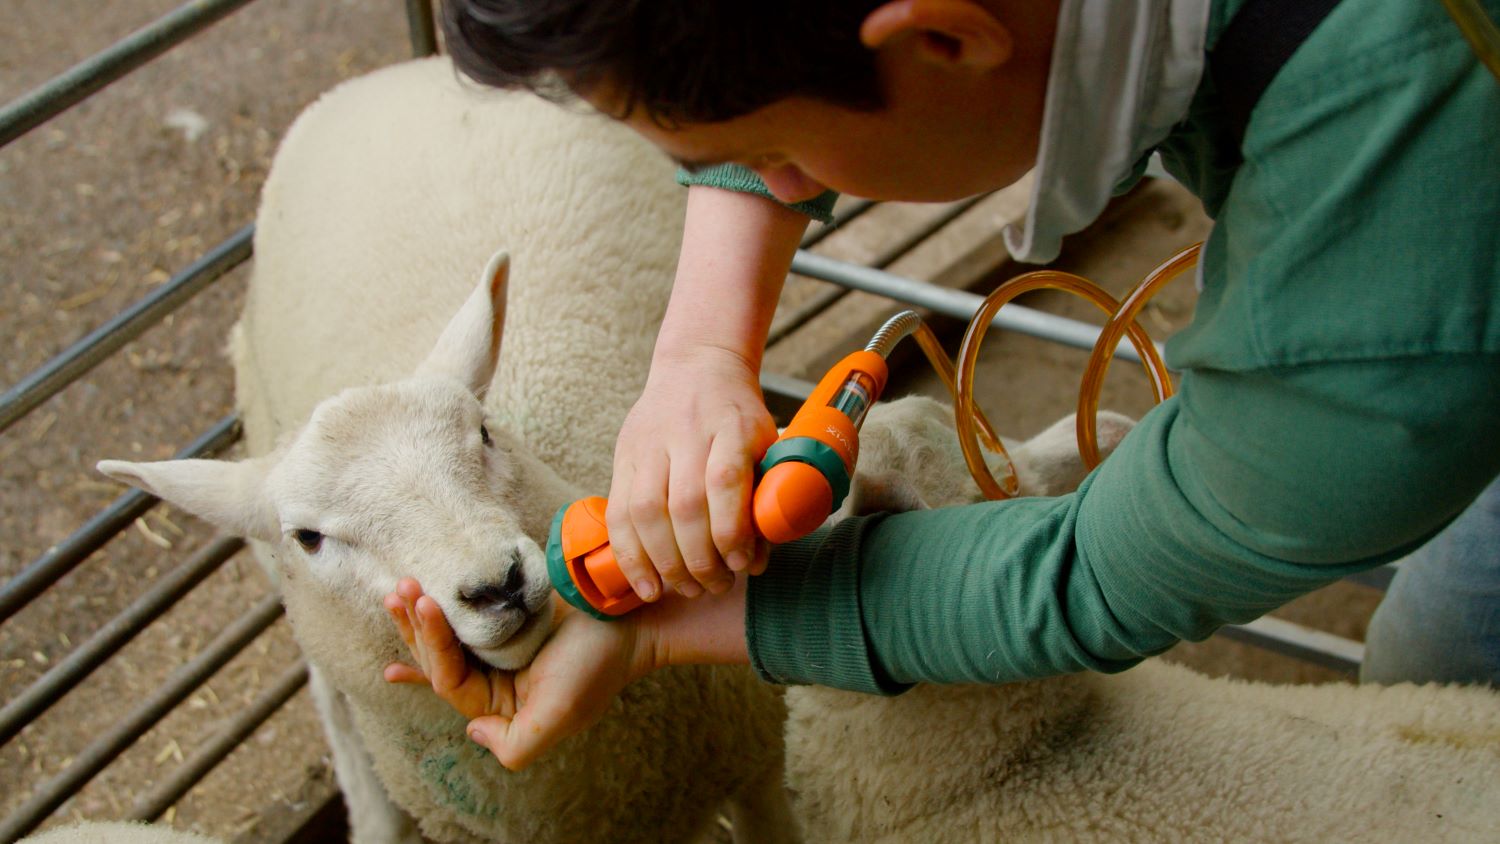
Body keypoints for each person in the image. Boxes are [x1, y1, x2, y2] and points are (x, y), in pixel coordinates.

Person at [382, 0, 1500, 770]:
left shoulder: (1378, 301)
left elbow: (1098, 567)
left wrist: (675, 627)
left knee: (1447, 678)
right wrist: (699, 353)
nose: (774, 186)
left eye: (779, 154)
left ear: (948, 36)